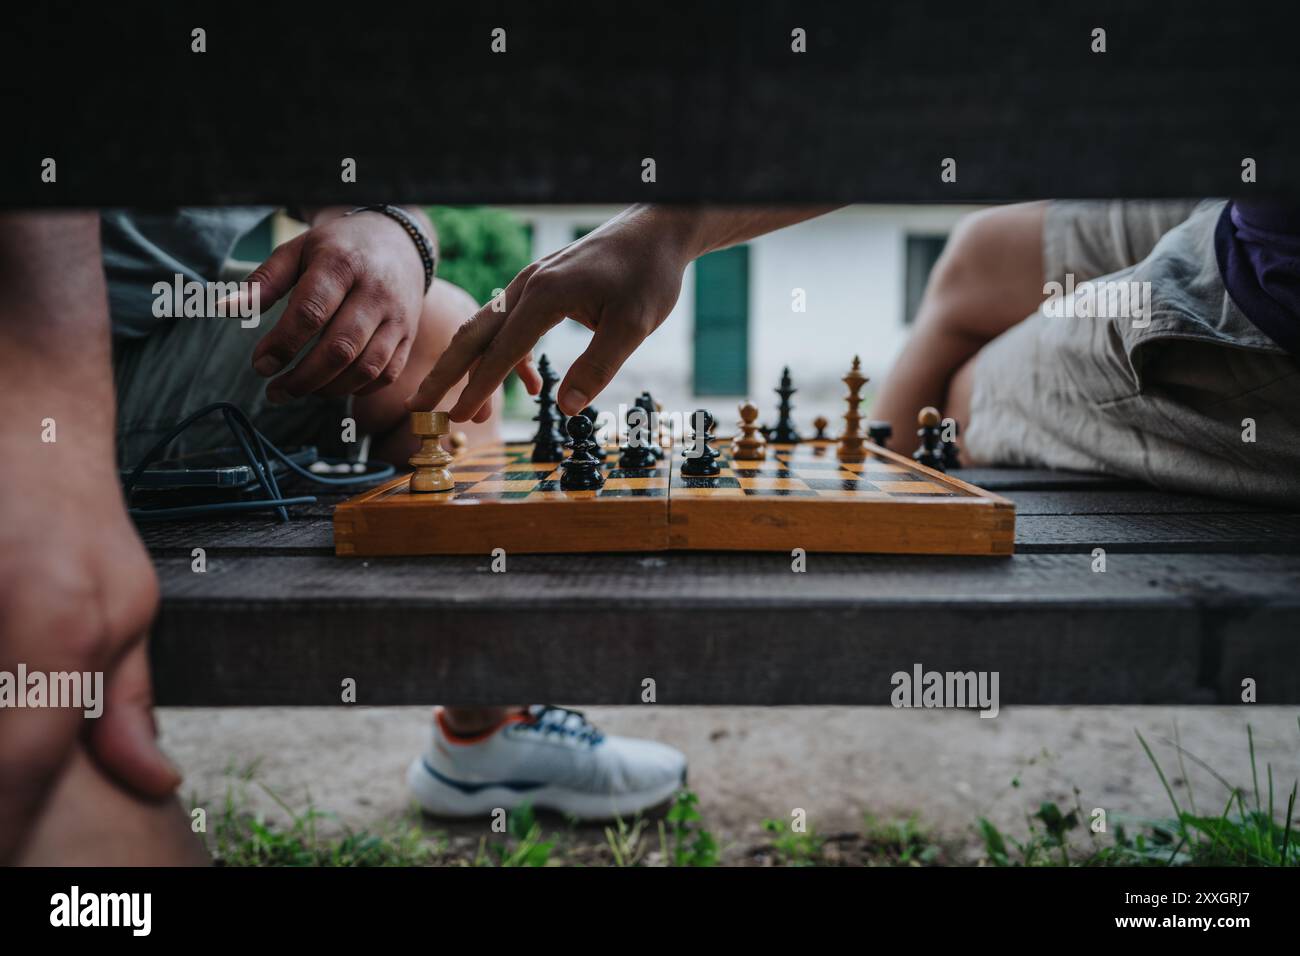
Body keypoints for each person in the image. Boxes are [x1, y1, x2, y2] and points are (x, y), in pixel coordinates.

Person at [0, 205, 686, 865]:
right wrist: (51, 450)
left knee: (438, 326)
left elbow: (360, 182)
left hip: (158, 322)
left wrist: (391, 230)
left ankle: (485, 730)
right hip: (26, 339)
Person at [411, 201, 1300, 507]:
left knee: (956, 392)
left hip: (1267, 305)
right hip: (1237, 209)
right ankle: (875, 477)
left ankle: (886, 494)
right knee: (974, 255)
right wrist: (668, 228)